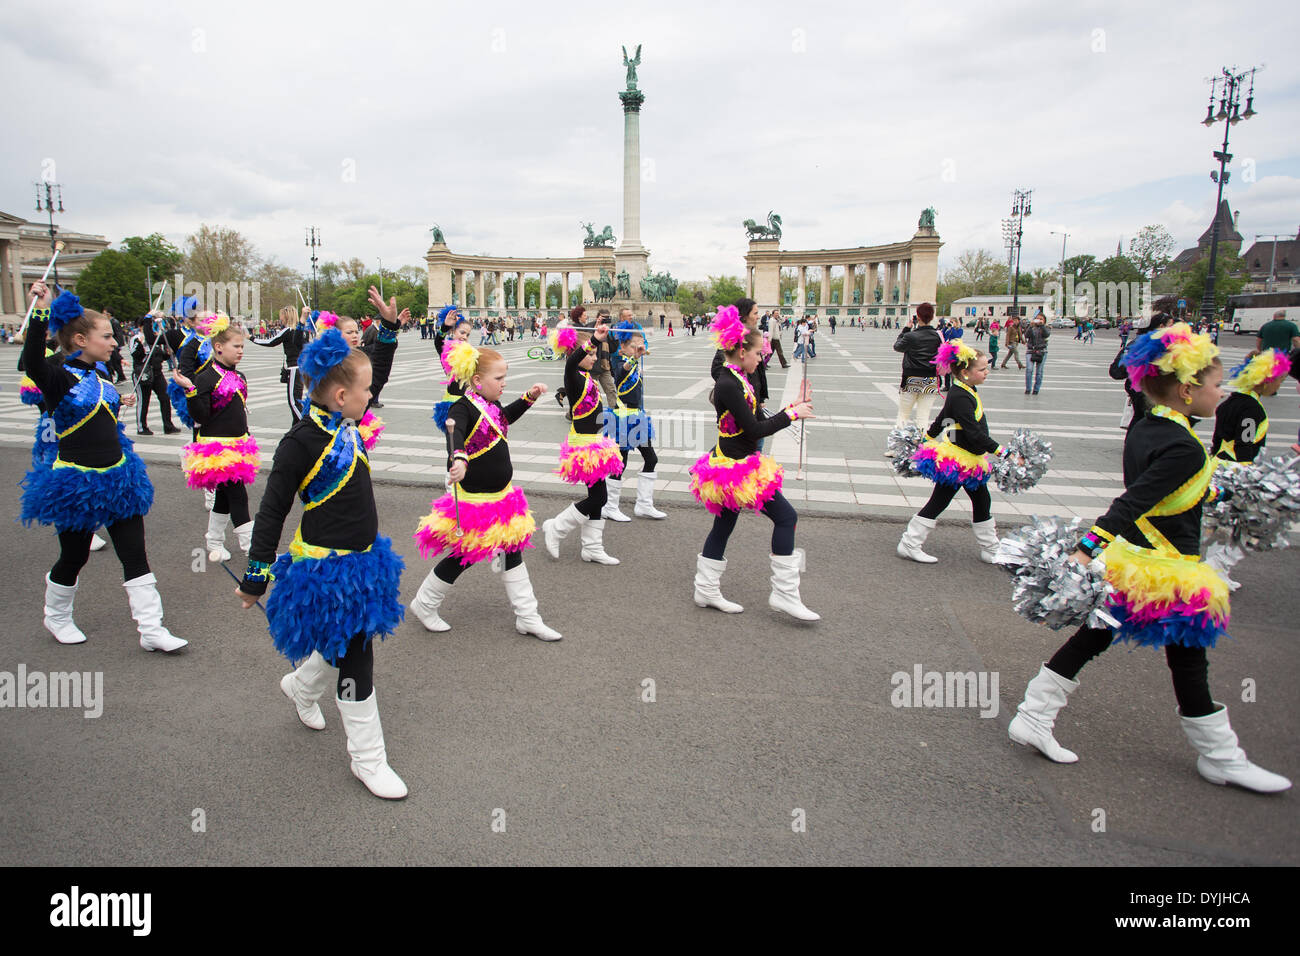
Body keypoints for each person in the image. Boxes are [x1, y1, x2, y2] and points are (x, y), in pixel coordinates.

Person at [1007, 323, 1290, 794]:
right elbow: (1132, 503)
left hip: (1133, 560)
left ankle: (1034, 715)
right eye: (1217, 385)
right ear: (1186, 389)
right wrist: (1082, 553)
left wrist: (1225, 492)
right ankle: (1221, 758)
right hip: (1164, 570)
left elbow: (1168, 493)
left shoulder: (1148, 429)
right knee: (1185, 659)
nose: (1223, 394)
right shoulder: (1182, 446)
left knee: (1097, 640)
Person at [238, 329, 407, 800]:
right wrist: (255, 577)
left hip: (364, 562)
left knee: (344, 643)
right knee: (357, 655)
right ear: (339, 396)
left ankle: (301, 686)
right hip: (325, 572)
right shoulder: (301, 442)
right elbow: (272, 509)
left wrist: (388, 334)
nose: (372, 396)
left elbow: (377, 374)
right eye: (365, 391)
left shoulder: (345, 422)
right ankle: (368, 760)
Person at [20, 283, 186, 652]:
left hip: (118, 478)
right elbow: (31, 362)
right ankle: (57, 616)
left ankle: (151, 629)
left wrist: (118, 402)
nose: (115, 343)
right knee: (75, 555)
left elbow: (101, 419)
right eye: (107, 336)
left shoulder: (101, 377)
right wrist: (41, 310)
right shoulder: (59, 377)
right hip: (76, 483)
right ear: (80, 339)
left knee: (135, 553)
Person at [408, 342, 559, 640]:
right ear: (478, 381)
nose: (504, 384)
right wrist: (459, 459)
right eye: (499, 378)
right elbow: (457, 435)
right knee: (464, 556)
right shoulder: (461, 407)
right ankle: (424, 604)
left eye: (505, 377)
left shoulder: (492, 405)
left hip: (502, 498)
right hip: (475, 501)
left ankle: (527, 616)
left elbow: (504, 419)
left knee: (511, 551)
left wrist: (529, 398)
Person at [689, 307, 817, 620]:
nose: (762, 358)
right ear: (742, 351)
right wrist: (791, 416)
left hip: (739, 463)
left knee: (725, 523)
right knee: (786, 517)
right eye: (759, 353)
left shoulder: (738, 378)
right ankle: (784, 594)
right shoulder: (729, 384)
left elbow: (758, 419)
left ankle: (705, 589)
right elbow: (756, 430)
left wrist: (792, 407)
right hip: (735, 468)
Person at [897, 341, 1007, 564]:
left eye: (987, 368)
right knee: (940, 501)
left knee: (981, 499)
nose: (987, 373)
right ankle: (910, 543)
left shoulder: (965, 390)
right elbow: (974, 433)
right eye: (982, 369)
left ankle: (990, 548)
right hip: (958, 461)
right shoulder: (960, 396)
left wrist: (926, 438)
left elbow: (942, 419)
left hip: (969, 459)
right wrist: (1002, 451)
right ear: (965, 373)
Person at [1204, 348, 1293, 589]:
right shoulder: (1251, 409)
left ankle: (1217, 568)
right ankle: (1216, 568)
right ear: (1266, 380)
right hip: (1237, 470)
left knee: (1226, 524)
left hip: (1221, 465)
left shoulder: (1232, 401)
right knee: (1239, 525)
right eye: (1280, 380)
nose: (1279, 386)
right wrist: (1250, 475)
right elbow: (1245, 443)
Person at [173, 315, 259, 564]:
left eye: (242, 346)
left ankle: (214, 542)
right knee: (238, 496)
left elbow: (237, 412)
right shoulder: (206, 378)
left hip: (238, 444)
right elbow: (200, 416)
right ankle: (253, 549)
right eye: (236, 346)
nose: (241, 351)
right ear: (218, 347)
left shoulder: (240, 376)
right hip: (216, 449)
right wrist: (190, 390)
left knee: (223, 496)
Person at [541, 309, 624, 564]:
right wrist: (595, 338)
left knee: (598, 496)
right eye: (590, 353)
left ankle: (592, 547)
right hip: (583, 446)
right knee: (598, 496)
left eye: (595, 353)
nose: (594, 356)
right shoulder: (573, 375)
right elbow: (574, 357)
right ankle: (557, 527)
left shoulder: (588, 376)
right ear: (577, 355)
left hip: (596, 443)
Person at [603, 319, 666, 521]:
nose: (637, 349)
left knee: (651, 459)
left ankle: (644, 505)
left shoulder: (635, 363)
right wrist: (633, 359)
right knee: (620, 463)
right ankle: (610, 506)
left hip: (637, 418)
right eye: (633, 346)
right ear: (622, 346)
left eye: (640, 346)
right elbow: (620, 374)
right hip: (621, 420)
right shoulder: (619, 362)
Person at [889, 303, 942, 450]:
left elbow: (897, 346)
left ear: (917, 317)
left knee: (903, 415)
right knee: (923, 417)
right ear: (932, 317)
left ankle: (897, 448)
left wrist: (906, 329)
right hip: (930, 379)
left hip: (911, 378)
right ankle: (921, 448)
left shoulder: (911, 336)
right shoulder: (938, 336)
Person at [130, 313, 179, 435]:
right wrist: (141, 345)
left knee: (165, 397)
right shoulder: (136, 338)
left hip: (157, 373)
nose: (151, 328)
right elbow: (136, 355)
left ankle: (168, 425)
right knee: (144, 400)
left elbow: (160, 356)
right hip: (143, 373)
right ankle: (142, 427)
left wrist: (167, 354)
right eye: (149, 325)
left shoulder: (155, 339)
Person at [362, 287, 407, 409]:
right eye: (349, 332)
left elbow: (379, 373)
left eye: (355, 331)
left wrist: (390, 326)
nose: (355, 335)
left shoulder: (354, 409)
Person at [431, 306, 472, 434]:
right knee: (455, 443)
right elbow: (438, 342)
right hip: (454, 402)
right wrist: (445, 327)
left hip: (470, 401)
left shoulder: (470, 352)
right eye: (462, 332)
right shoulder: (448, 352)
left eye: (467, 334)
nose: (465, 337)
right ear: (453, 332)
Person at [1024, 311, 1050, 394]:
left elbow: (1046, 334)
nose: (1038, 320)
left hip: (1042, 351)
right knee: (1029, 369)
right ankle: (1028, 388)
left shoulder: (1046, 328)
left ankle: (1036, 389)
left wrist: (1042, 325)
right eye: (1037, 319)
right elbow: (1026, 335)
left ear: (1044, 321)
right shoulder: (1032, 327)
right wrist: (1030, 326)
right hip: (1031, 350)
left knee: (1039, 371)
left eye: (1041, 319)